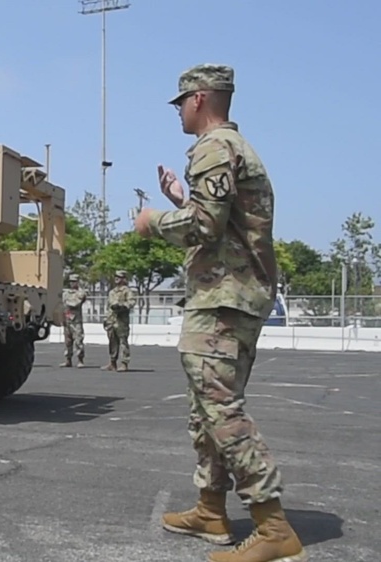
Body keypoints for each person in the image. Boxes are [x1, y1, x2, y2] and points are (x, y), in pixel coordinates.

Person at [134, 64, 306, 562]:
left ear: (200, 99)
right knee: (203, 409)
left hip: (224, 297)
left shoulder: (215, 147)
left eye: (181, 102)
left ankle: (273, 526)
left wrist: (155, 220)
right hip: (232, 293)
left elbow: (205, 226)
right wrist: (181, 200)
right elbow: (222, 220)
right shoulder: (231, 149)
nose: (179, 112)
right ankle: (211, 509)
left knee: (219, 408)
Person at [101, 270, 134, 372]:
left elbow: (131, 302)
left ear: (124, 279)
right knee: (112, 342)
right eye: (115, 276)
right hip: (112, 320)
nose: (116, 278)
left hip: (121, 320)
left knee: (123, 341)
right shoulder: (112, 292)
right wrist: (106, 319)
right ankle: (112, 362)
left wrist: (122, 306)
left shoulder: (127, 291)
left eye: (119, 277)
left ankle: (124, 363)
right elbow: (108, 306)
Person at [59, 274, 87, 368]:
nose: (72, 283)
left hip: (76, 321)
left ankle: (80, 359)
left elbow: (75, 303)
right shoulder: (66, 293)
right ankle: (68, 360)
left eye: (74, 281)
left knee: (78, 340)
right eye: (71, 281)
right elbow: (62, 306)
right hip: (67, 319)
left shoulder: (80, 293)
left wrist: (66, 301)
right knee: (68, 341)